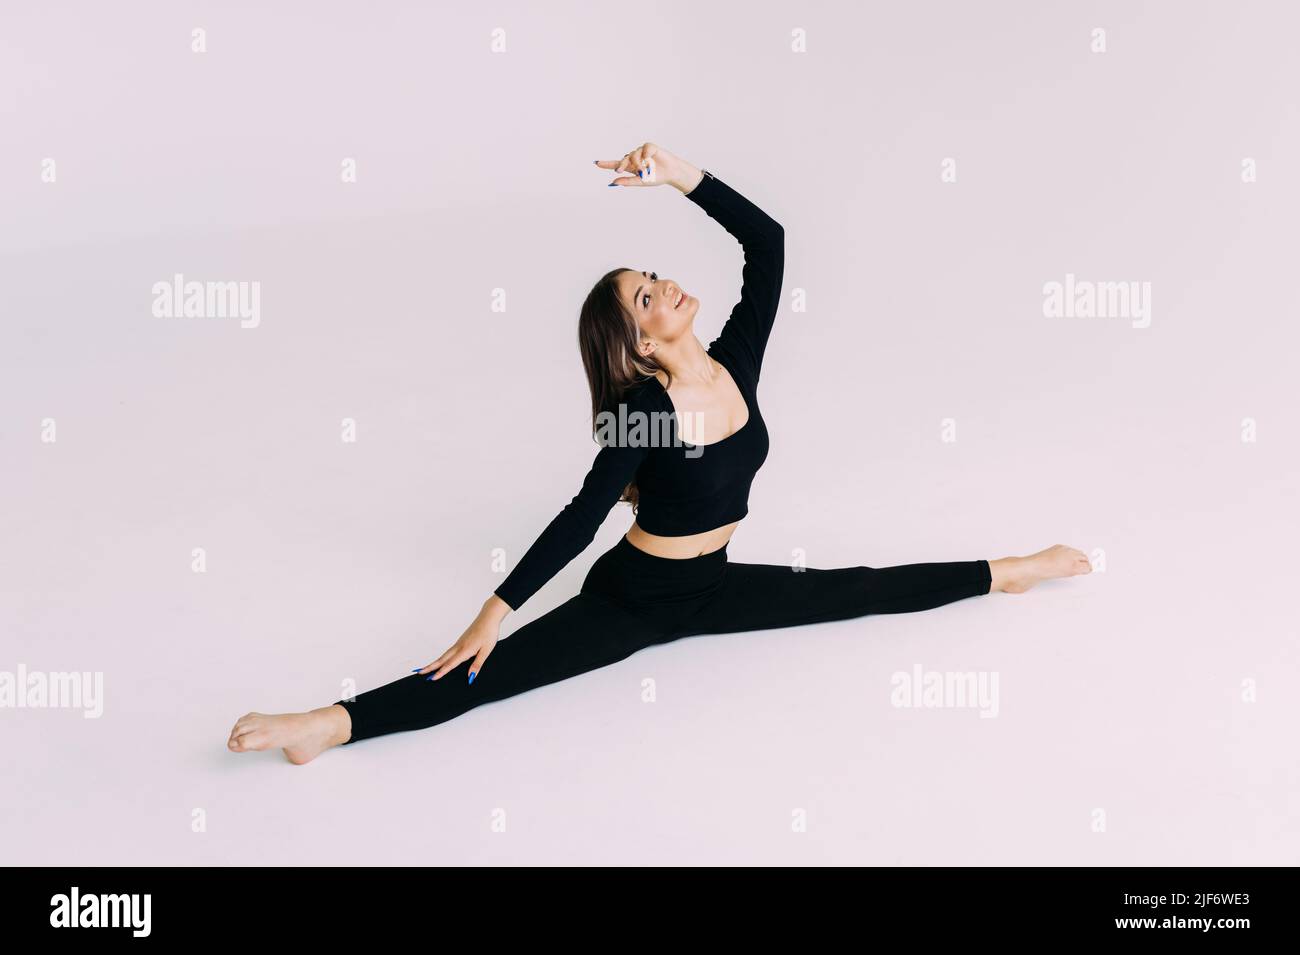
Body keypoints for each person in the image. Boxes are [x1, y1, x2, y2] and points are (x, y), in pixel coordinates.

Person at [227, 142, 1091, 764]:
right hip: (634, 599)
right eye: (649, 296)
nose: (668, 286)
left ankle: (1002, 570)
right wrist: (495, 609)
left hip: (713, 585)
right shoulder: (642, 413)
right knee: (489, 677)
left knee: (854, 589)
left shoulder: (732, 363)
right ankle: (326, 724)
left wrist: (682, 176)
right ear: (639, 344)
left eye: (654, 278)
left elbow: (771, 244)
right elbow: (581, 515)